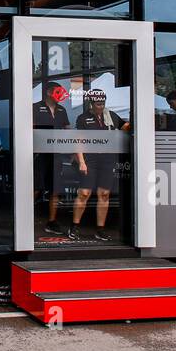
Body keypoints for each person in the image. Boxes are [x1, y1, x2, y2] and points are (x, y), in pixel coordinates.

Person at [70, 89, 127, 242]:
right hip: (90, 159)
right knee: (84, 193)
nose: (101, 106)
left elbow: (124, 127)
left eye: (103, 103)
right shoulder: (83, 118)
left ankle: (100, 229)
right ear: (91, 104)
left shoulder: (111, 116)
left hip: (108, 159)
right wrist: (81, 161)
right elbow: (79, 140)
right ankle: (75, 226)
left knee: (104, 194)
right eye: (98, 104)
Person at [33, 82, 72, 236]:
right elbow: (30, 128)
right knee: (36, 187)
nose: (60, 94)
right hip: (39, 154)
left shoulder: (62, 110)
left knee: (55, 188)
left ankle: (52, 221)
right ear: (49, 92)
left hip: (57, 155)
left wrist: (72, 150)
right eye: (57, 91)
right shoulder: (35, 107)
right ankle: (25, 218)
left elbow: (67, 131)